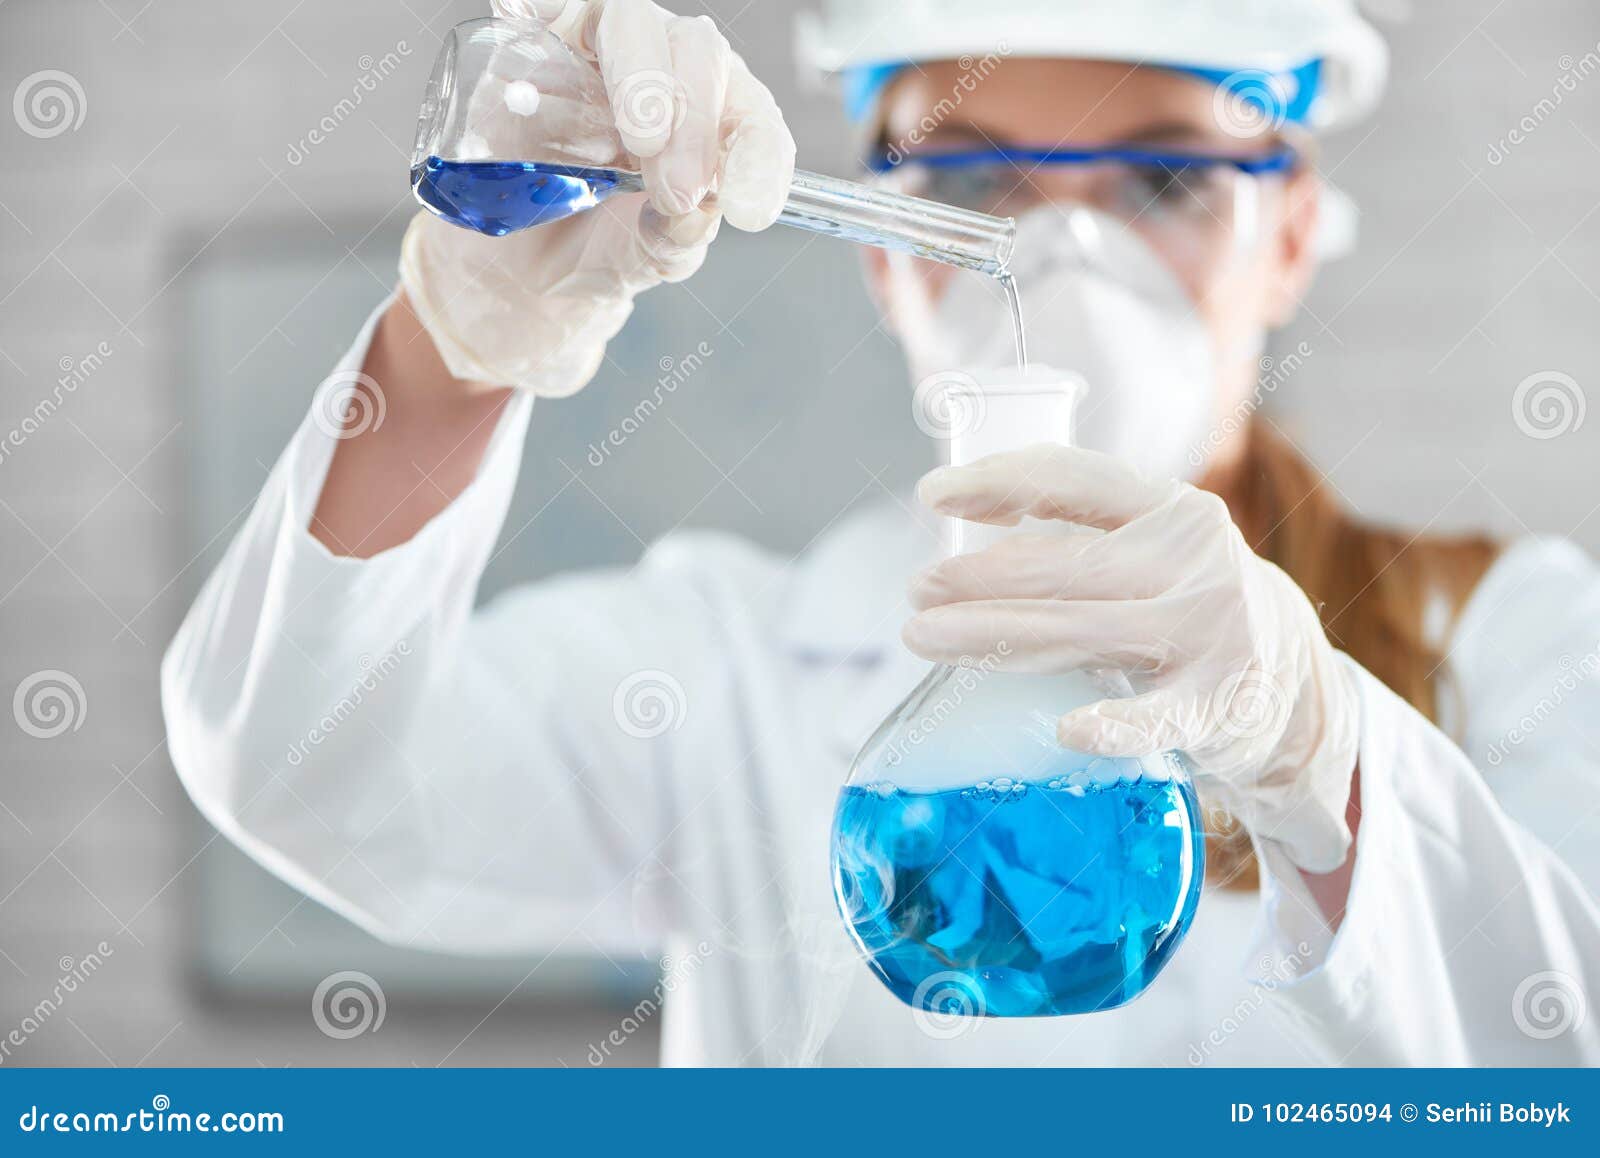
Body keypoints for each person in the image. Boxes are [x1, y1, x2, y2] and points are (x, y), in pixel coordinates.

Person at [162, 0, 1600, 1065]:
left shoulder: (1513, 639)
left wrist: (1322, 757)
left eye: (1163, 179)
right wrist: (461, 347)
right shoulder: (721, 667)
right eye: (973, 181)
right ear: (875, 249)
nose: (1064, 250)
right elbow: (305, 769)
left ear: (1287, 238)